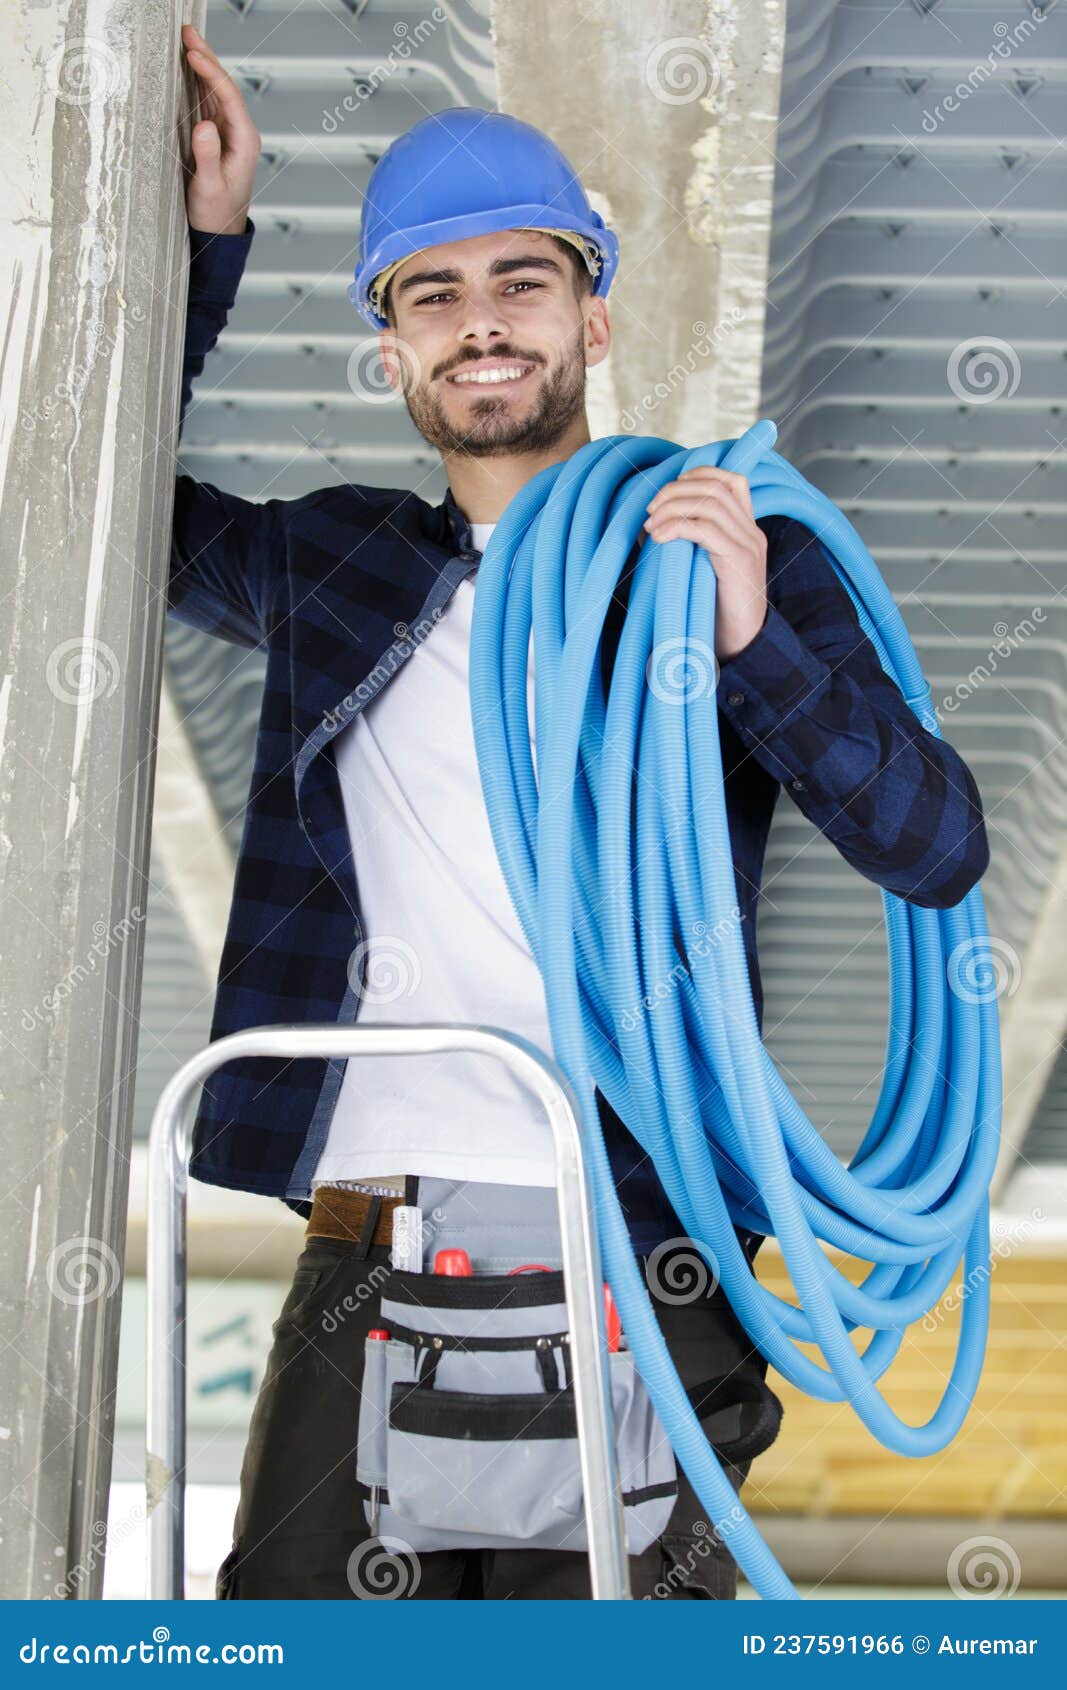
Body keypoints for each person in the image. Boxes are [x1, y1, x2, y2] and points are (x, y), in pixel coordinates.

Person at [173, 24, 990, 1601]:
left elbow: (937, 846)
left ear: (591, 315)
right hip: (372, 1238)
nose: (480, 322)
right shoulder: (330, 567)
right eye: (431, 295)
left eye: (520, 282)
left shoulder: (718, 555)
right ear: (390, 351)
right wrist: (208, 247)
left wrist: (753, 642)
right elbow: (95, 515)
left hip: (643, 1231)